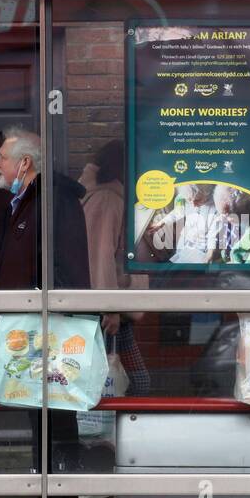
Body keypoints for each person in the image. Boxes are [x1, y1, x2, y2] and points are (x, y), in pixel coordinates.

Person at [0, 127, 92, 498]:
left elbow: (65, 265)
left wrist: (61, 312)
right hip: (31, 326)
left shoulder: (53, 200)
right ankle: (45, 496)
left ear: (25, 163)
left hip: (51, 327)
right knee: (39, 414)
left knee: (58, 416)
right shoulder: (26, 200)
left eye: (2, 156)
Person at [79, 139, 150, 395]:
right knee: (134, 383)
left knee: (110, 385)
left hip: (113, 309)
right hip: (110, 313)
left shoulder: (107, 196)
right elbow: (99, 255)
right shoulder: (108, 199)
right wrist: (108, 307)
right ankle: (114, 434)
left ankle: (112, 433)